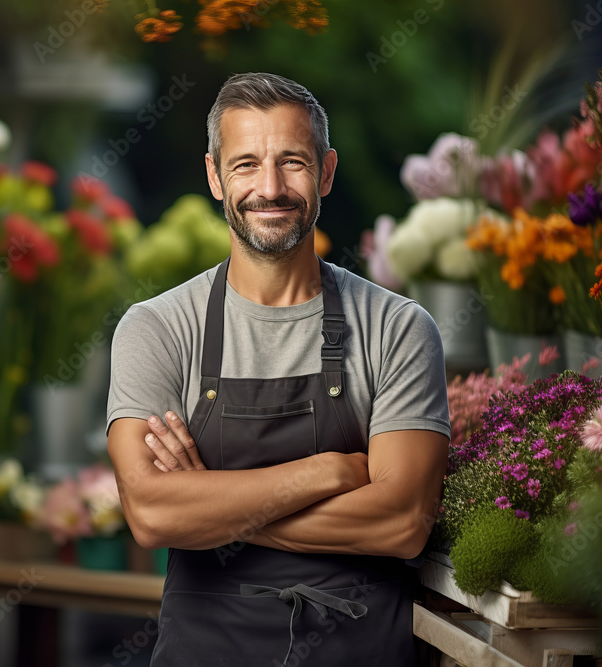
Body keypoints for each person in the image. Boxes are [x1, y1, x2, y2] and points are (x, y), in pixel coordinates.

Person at [106, 72, 450, 666]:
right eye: (245, 165)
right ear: (215, 176)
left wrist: (212, 508)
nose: (270, 187)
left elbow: (402, 523)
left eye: (292, 161)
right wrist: (327, 471)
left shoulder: (399, 328)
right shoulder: (157, 329)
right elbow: (153, 513)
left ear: (326, 171)